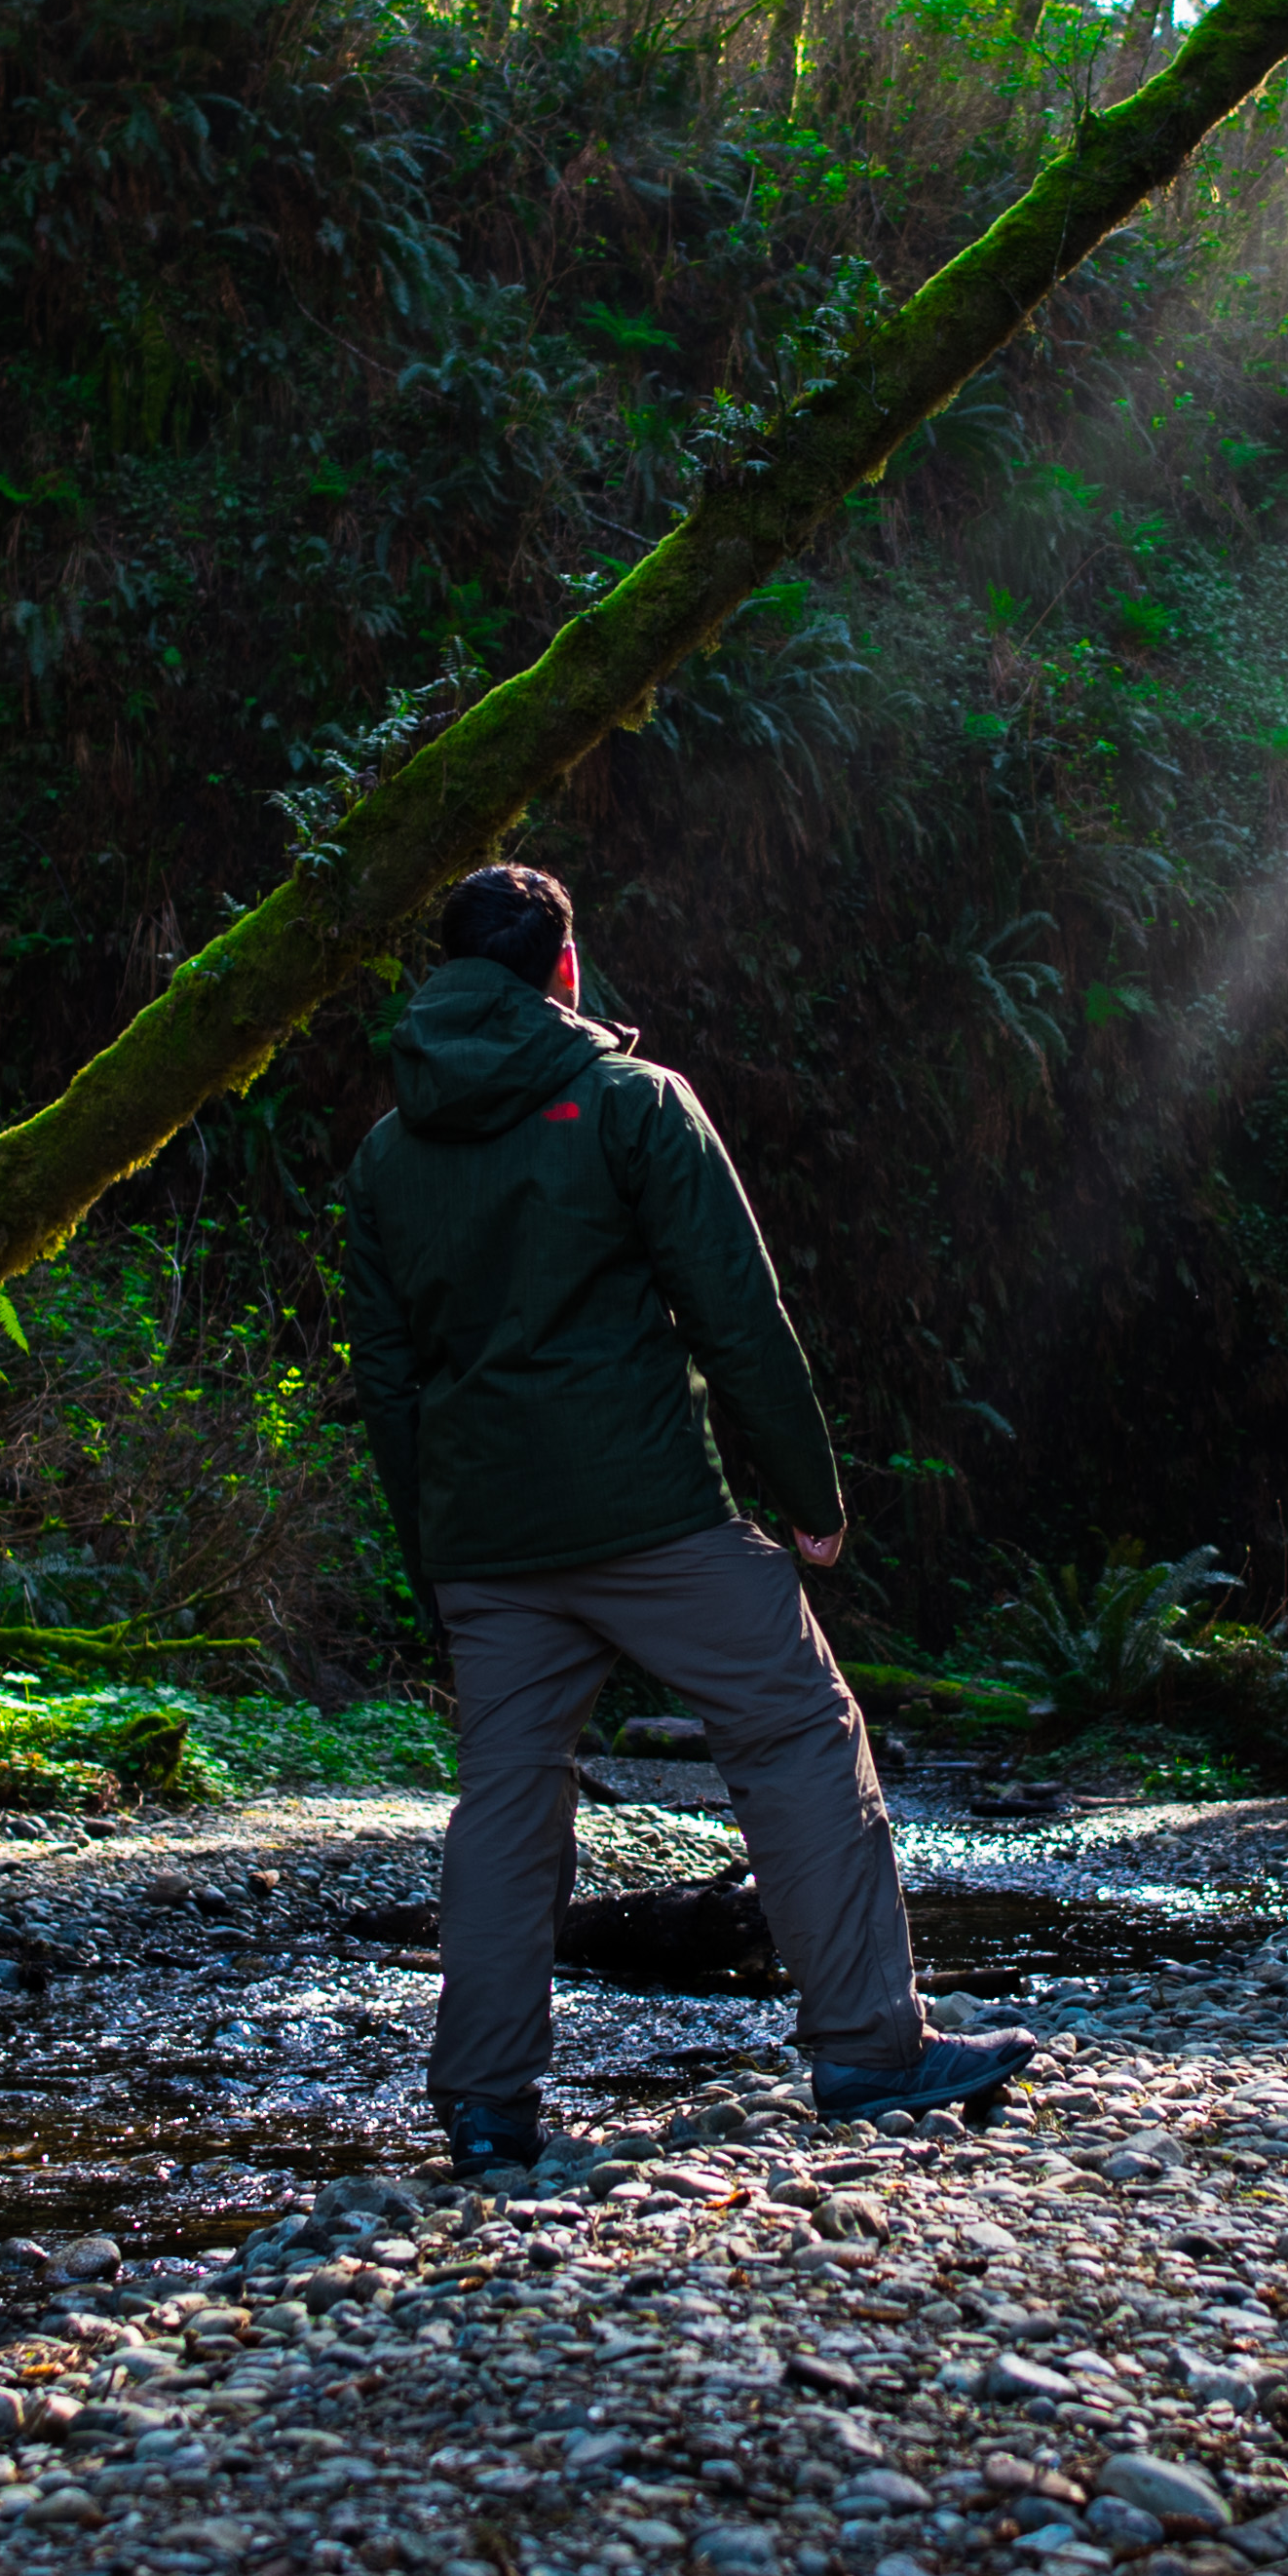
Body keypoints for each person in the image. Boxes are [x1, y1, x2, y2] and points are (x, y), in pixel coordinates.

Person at [341, 861, 1032, 2171]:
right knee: (798, 1730)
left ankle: (487, 2106)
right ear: (564, 967)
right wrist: (810, 1500)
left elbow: (390, 1381)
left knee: (504, 1800)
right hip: (655, 1510)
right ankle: (871, 2049)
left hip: (487, 1539)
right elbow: (738, 1313)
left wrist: (438, 1560)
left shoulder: (388, 1153)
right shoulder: (633, 1104)